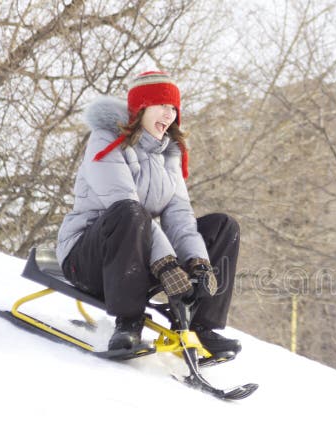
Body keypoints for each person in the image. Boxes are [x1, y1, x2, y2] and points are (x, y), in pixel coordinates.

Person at [56, 71, 241, 355]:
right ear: (141, 106)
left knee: (223, 226)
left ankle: (201, 327)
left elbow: (179, 214)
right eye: (162, 106)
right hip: (89, 260)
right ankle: (128, 322)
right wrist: (166, 264)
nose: (169, 115)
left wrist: (197, 262)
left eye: (173, 109)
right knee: (130, 211)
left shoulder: (169, 153)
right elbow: (125, 204)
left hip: (134, 262)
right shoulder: (106, 140)